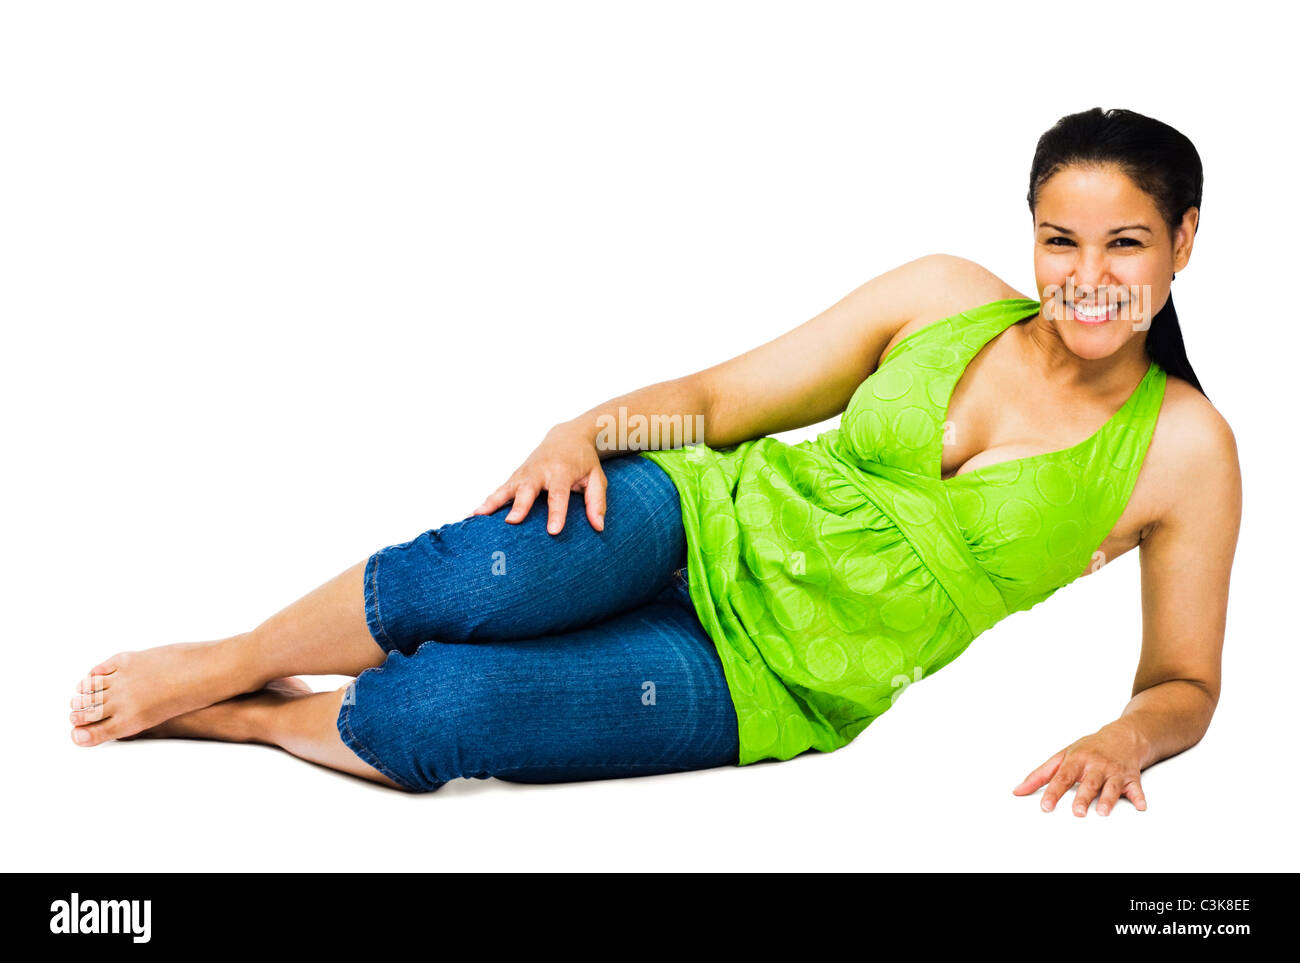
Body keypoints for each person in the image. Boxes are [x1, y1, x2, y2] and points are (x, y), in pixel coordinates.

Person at [69, 107, 1240, 817]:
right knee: (481, 580)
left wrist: (1117, 739)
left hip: (770, 681)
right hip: (698, 512)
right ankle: (222, 660)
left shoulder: (1184, 450)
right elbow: (722, 403)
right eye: (1059, 238)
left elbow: (1183, 683)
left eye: (1125, 242)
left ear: (1181, 240)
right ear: (1028, 233)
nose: (1086, 275)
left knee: (440, 711)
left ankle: (256, 720)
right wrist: (587, 429)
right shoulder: (942, 298)